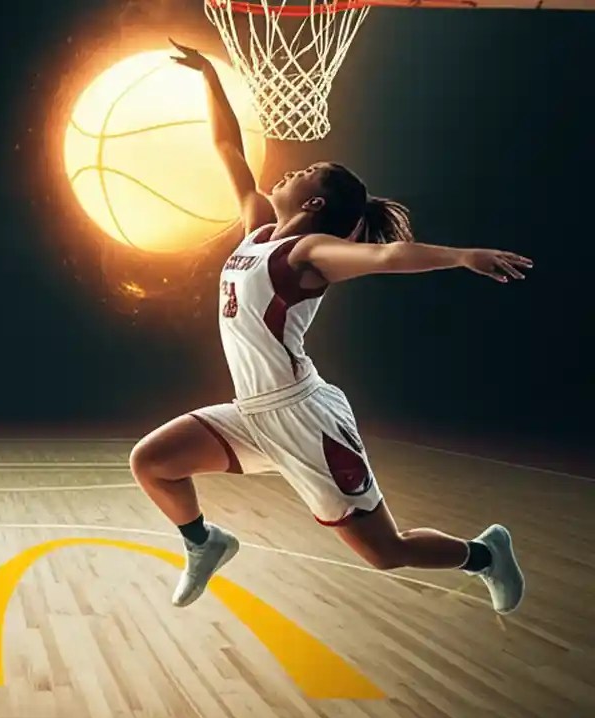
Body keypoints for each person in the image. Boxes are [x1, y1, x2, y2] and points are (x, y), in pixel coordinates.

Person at [129, 42, 530, 614]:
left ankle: (485, 554)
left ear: (315, 202)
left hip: (304, 417)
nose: (293, 168)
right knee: (151, 462)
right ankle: (205, 542)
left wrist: (463, 256)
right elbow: (227, 147)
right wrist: (209, 76)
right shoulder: (257, 228)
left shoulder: (309, 252)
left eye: (307, 172)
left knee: (385, 551)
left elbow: (387, 257)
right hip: (251, 410)